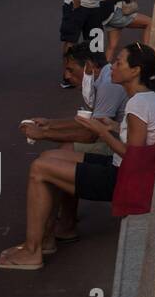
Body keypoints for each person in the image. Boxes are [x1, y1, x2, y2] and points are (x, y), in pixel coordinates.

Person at [0, 43, 155, 270]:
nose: (111, 66)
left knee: (40, 168)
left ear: (135, 71)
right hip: (123, 169)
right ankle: (47, 238)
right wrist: (112, 125)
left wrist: (101, 131)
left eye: (118, 63)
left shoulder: (138, 105)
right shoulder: (148, 99)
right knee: (50, 156)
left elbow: (132, 155)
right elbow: (136, 143)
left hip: (121, 178)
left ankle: (33, 251)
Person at [20, 44, 129, 239]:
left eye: (70, 70)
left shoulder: (108, 84)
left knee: (52, 160)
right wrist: (49, 125)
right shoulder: (103, 81)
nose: (67, 77)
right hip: (118, 148)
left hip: (118, 154)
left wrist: (43, 134)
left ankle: (54, 231)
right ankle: (62, 224)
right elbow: (87, 125)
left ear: (88, 66)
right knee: (58, 154)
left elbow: (90, 134)